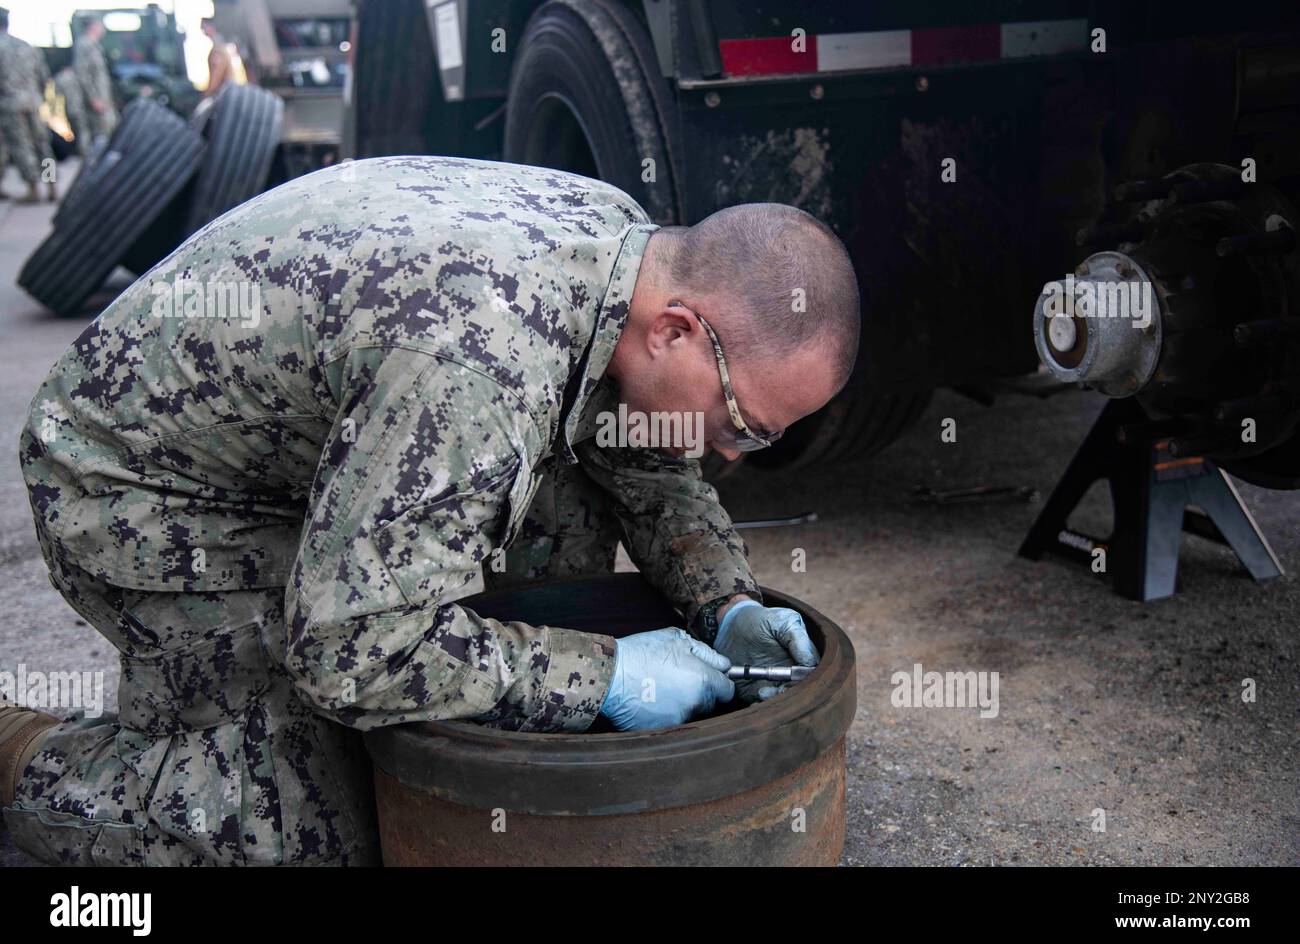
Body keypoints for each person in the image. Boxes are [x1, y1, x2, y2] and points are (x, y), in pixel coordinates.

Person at [2, 155, 860, 865]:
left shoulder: (629, 256)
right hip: (146, 486)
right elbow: (344, 651)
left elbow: (641, 453)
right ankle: (25, 751)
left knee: (556, 523)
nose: (729, 452)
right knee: (296, 827)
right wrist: (605, 677)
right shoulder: (476, 371)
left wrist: (726, 601)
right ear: (676, 330)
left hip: (322, 439)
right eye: (743, 423)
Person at [0, 7, 55, 202]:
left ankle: (33, 188)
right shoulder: (26, 46)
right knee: (42, 144)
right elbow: (44, 76)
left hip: (9, 105)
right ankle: (51, 184)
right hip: (33, 102)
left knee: (20, 146)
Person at [73, 16, 115, 145]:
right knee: (99, 135)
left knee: (108, 131)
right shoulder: (84, 45)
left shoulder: (95, 46)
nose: (103, 29)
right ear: (93, 26)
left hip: (102, 99)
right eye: (100, 25)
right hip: (95, 101)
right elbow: (82, 74)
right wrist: (93, 98)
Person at [200, 17, 232, 99]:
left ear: (211, 27)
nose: (203, 31)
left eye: (204, 27)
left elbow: (216, 76)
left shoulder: (218, 49)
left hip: (223, 95)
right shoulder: (220, 46)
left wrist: (206, 95)